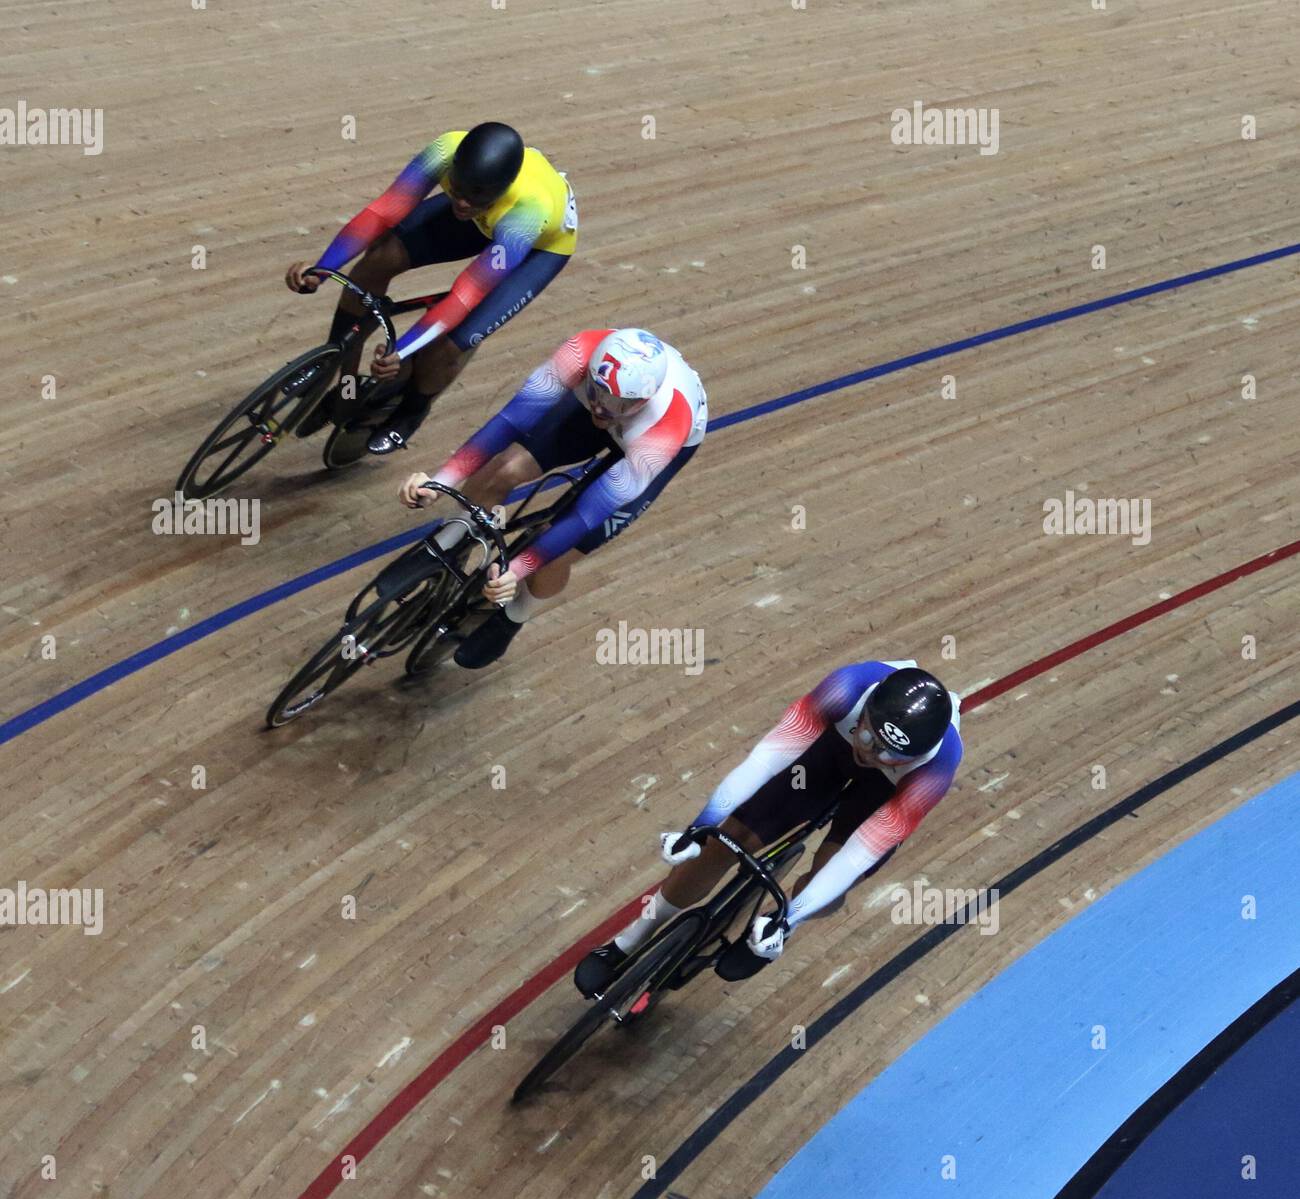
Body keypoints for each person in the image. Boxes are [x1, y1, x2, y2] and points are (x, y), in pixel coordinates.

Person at [575, 662, 963, 993]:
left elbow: (858, 855)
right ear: (865, 710)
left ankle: (774, 930)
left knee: (827, 880)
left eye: (889, 754)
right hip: (828, 752)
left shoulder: (935, 770)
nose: (871, 753)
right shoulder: (848, 687)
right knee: (727, 839)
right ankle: (629, 940)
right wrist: (699, 827)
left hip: (884, 790)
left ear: (915, 756)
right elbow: (762, 762)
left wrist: (788, 919)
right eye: (867, 736)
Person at [398, 327, 707, 669]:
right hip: (588, 410)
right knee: (505, 468)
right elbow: (509, 422)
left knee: (555, 547)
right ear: (590, 371)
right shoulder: (579, 353)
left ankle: (513, 618)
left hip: (646, 440)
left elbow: (588, 514)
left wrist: (517, 569)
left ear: (644, 400)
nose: (604, 410)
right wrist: (440, 480)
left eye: (620, 404)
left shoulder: (665, 426)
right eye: (600, 393)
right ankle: (451, 540)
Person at [285, 123, 578, 451]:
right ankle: (340, 375)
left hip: (537, 248)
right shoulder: (446, 151)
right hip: (488, 219)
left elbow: (465, 294)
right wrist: (323, 268)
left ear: (502, 188)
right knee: (379, 259)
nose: (463, 202)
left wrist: (403, 349)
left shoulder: (527, 211)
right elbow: (382, 213)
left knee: (450, 343)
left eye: (476, 194)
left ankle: (411, 412)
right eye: (458, 187)